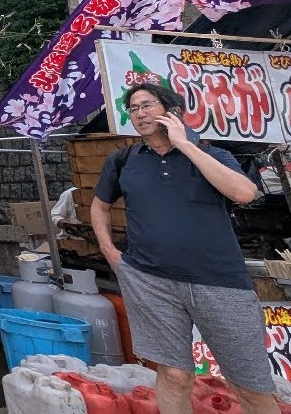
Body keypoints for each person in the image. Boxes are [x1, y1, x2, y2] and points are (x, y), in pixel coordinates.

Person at [94, 83, 275, 414]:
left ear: (172, 111)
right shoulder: (124, 160)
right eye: (133, 109)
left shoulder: (213, 155)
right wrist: (110, 251)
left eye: (147, 105)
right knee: (174, 375)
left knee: (250, 386)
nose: (139, 114)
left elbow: (244, 193)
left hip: (220, 282)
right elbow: (100, 205)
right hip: (150, 280)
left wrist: (184, 145)